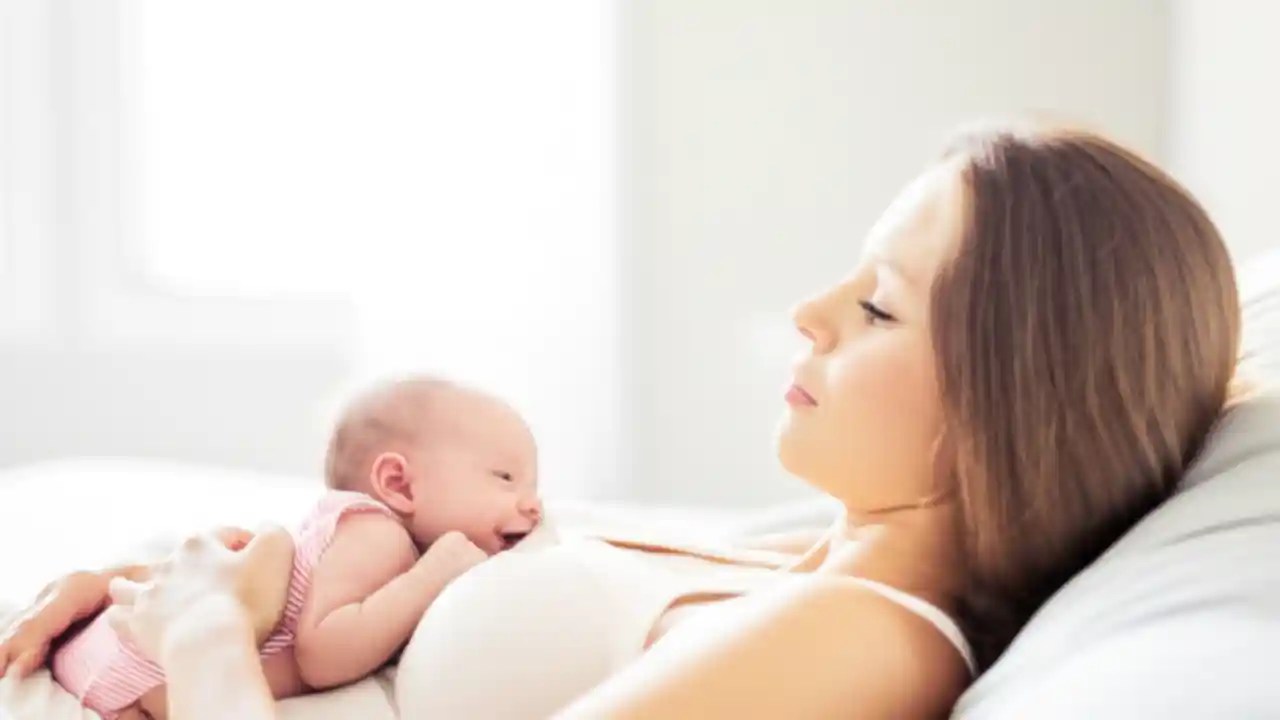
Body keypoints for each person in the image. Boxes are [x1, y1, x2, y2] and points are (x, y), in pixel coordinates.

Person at [0, 123, 1241, 718]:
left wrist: (210, 641)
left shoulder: (858, 642)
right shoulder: (797, 560)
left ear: (1002, 405)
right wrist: (153, 596)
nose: (808, 314)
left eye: (875, 307)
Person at [39, 377, 544, 719]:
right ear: (399, 484)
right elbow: (323, 654)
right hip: (135, 664)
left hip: (121, 667)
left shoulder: (359, 535)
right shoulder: (377, 533)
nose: (533, 505)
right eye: (505, 478)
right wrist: (433, 574)